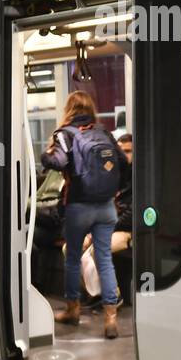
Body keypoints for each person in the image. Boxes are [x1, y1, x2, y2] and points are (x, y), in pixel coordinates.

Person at [41, 91, 128, 339]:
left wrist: (45, 154)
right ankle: (111, 318)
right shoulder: (104, 133)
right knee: (104, 259)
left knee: (72, 258)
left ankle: (73, 309)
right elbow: (122, 161)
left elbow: (56, 162)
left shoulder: (65, 133)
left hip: (79, 205)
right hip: (106, 207)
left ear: (69, 109)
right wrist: (113, 190)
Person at [80, 132, 133, 307]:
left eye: (129, 151)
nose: (125, 155)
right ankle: (93, 293)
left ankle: (113, 296)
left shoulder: (138, 178)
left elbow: (132, 214)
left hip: (127, 230)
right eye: (121, 151)